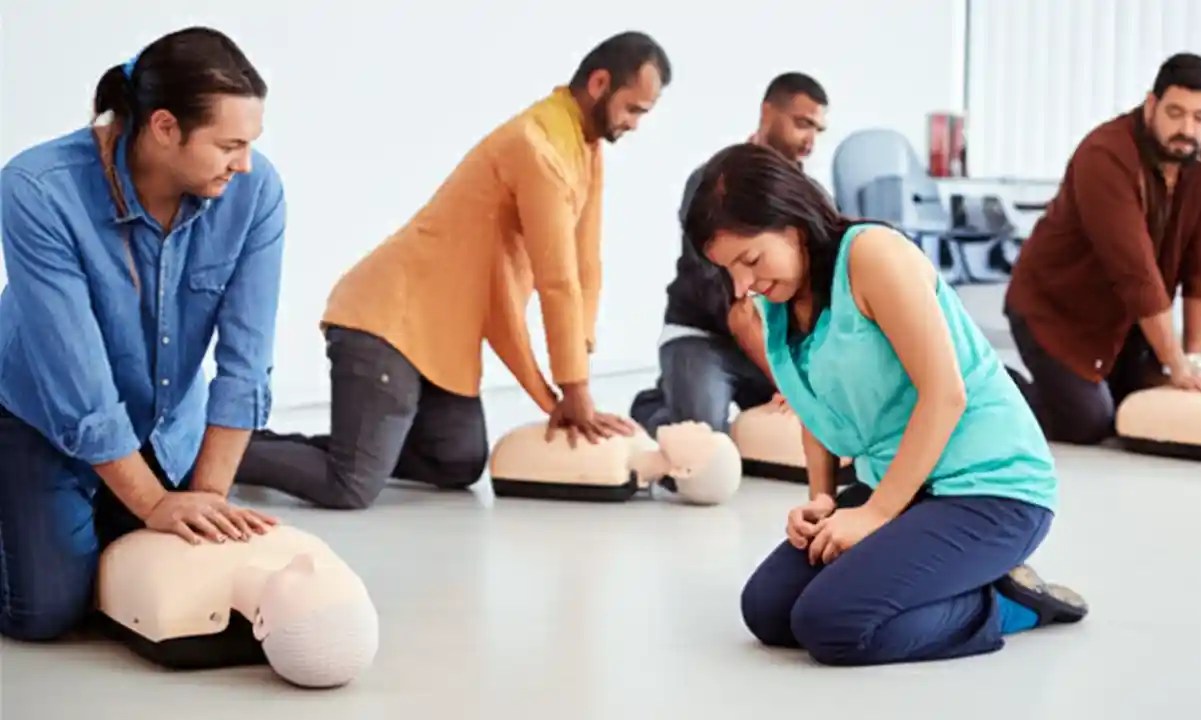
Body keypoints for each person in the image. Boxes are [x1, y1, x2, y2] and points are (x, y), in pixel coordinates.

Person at [685, 143, 1087, 667]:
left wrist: (874, 514)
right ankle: (939, 577)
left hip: (991, 490)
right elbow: (814, 411)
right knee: (768, 611)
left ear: (792, 223)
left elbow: (945, 394)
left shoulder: (874, 256)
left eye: (750, 260)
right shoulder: (780, 300)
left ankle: (1005, 602)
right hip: (903, 486)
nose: (742, 284)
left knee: (833, 625)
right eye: (728, 271)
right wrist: (823, 503)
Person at [234, 31, 672, 509]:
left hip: (441, 339)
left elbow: (586, 263)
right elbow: (557, 280)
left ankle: (324, 447)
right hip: (387, 322)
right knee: (352, 486)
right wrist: (572, 392)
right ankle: (214, 452)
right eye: (633, 109)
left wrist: (577, 367)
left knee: (457, 461)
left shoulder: (585, 150)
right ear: (600, 82)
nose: (634, 124)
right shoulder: (536, 145)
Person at [0, 27, 284, 642]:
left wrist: (204, 503)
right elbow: (77, 383)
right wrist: (154, 504)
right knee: (46, 613)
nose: (246, 163)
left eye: (251, 143)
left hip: (163, 421)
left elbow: (246, 361)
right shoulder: (37, 189)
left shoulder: (256, 192)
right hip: (42, 418)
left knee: (172, 567)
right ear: (163, 127)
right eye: (229, 144)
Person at [1003, 52, 1201, 445]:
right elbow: (1135, 270)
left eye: (1200, 117)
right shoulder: (1105, 154)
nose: (1187, 128)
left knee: (1139, 410)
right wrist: (1173, 361)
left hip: (1128, 324)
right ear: (1151, 104)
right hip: (1058, 312)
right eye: (1175, 113)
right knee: (1088, 424)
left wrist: (1193, 360)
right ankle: (991, 388)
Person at [629, 73, 828, 436]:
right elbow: (724, 296)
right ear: (768, 112)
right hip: (703, 335)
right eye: (802, 124)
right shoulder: (711, 184)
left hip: (769, 345)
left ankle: (681, 393)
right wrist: (786, 379)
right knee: (702, 442)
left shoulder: (810, 197)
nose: (810, 141)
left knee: (818, 422)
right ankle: (654, 406)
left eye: (817, 130)